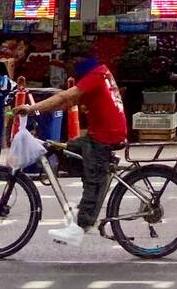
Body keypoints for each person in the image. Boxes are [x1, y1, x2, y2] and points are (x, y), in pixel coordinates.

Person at [15, 54, 127, 247]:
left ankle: (82, 225)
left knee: (94, 178)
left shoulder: (94, 76)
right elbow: (67, 102)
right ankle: (86, 206)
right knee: (65, 150)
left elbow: (65, 96)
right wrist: (45, 108)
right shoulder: (101, 72)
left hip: (105, 136)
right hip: (99, 133)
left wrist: (32, 108)